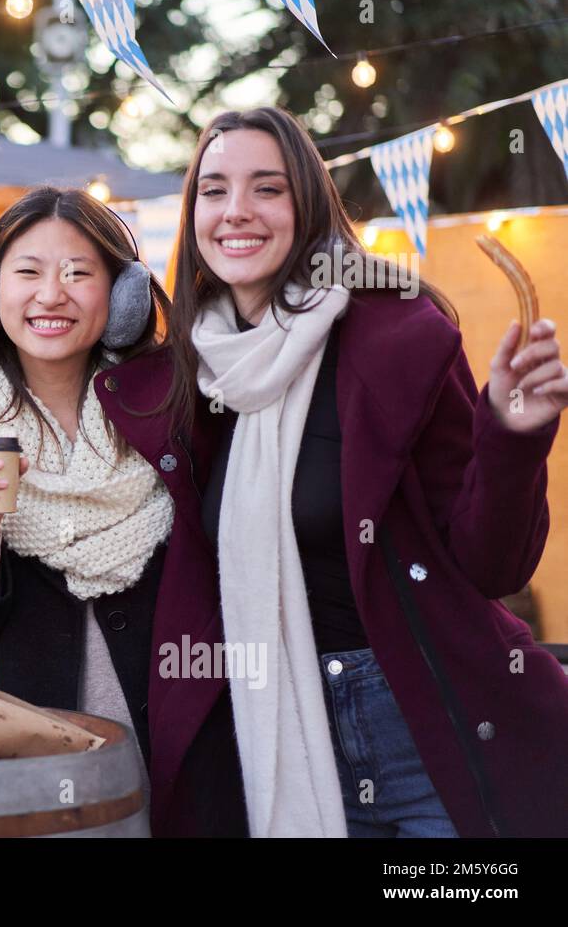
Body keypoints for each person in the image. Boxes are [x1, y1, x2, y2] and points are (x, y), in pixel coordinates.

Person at [97, 106, 568, 837]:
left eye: (267, 189)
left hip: (425, 727)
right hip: (277, 736)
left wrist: (510, 437)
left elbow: (489, 563)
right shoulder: (191, 380)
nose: (236, 212)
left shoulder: (398, 337)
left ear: (307, 207)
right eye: (214, 191)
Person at [0, 187, 249, 837]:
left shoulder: (178, 405)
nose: (51, 295)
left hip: (192, 751)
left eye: (78, 273)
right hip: (42, 775)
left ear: (122, 295)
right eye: (28, 272)